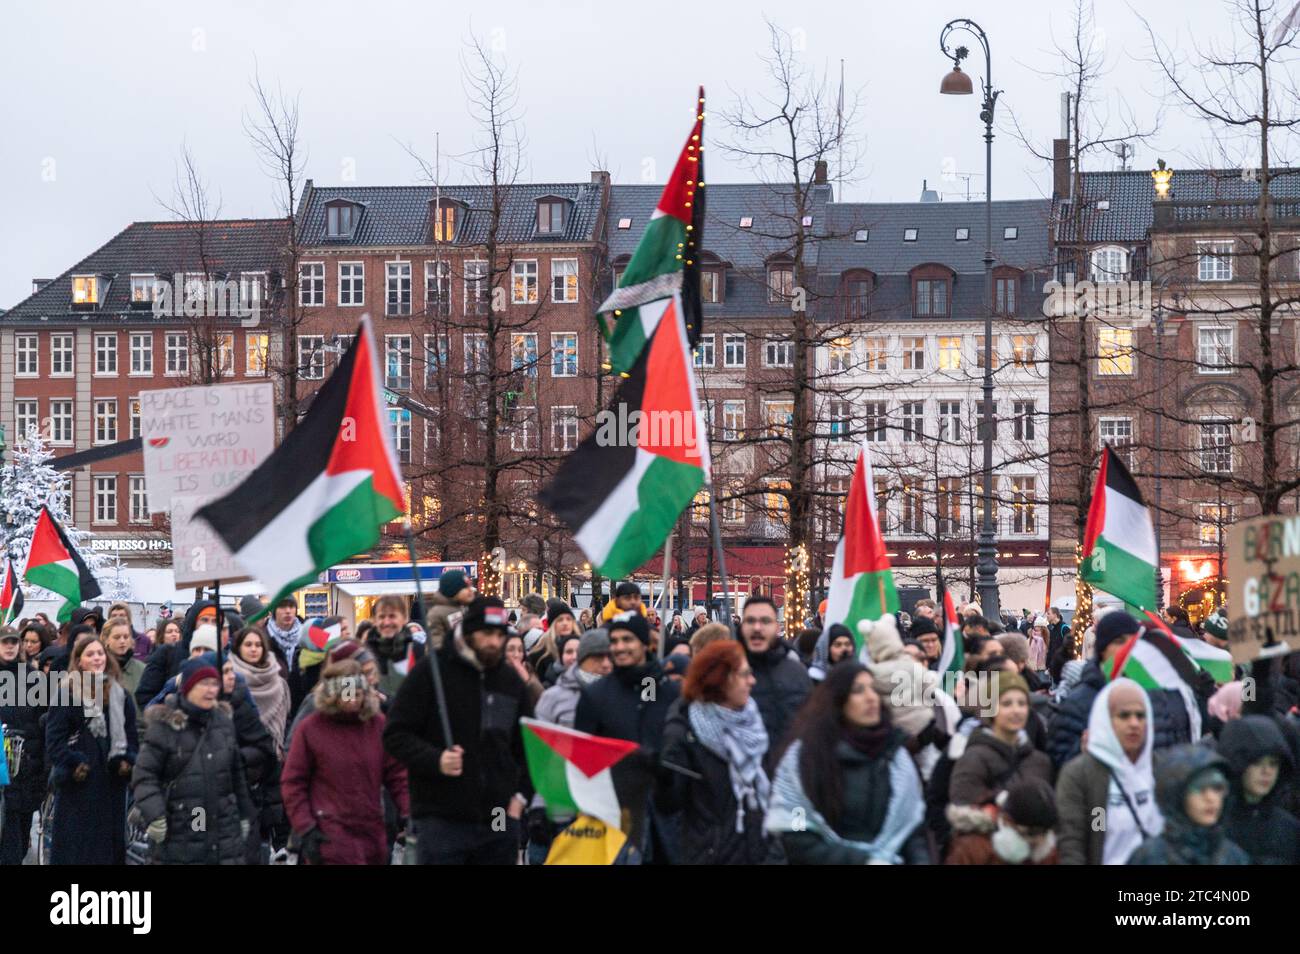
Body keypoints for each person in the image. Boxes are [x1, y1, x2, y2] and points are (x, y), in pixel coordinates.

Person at [384, 596, 533, 865]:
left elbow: (528, 746)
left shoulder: (509, 680)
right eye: (486, 633)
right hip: (442, 818)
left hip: (498, 816)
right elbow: (396, 734)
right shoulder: (432, 672)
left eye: (500, 635)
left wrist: (519, 799)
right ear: (468, 631)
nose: (494, 642)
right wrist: (436, 758)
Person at [766, 663, 929, 864]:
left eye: (873, 689)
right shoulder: (804, 760)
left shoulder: (897, 758)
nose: (871, 698)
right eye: (858, 691)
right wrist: (862, 860)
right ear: (838, 701)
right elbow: (796, 832)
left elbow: (912, 829)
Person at [282, 657, 409, 865]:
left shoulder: (377, 725)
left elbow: (397, 776)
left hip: (371, 836)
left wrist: (408, 812)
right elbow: (293, 782)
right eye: (347, 692)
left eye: (357, 693)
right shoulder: (311, 728)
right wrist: (306, 827)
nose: (352, 700)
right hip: (329, 837)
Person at [131, 658, 256, 864]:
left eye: (214, 684)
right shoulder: (164, 727)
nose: (210, 690)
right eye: (203, 684)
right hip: (182, 826)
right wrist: (156, 815)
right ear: (188, 687)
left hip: (224, 829)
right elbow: (144, 775)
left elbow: (236, 776)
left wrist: (244, 813)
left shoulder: (223, 723)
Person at [658, 641, 773, 864]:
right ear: (721, 679)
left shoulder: (755, 724)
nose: (752, 681)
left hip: (756, 852)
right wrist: (664, 772)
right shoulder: (685, 731)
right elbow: (669, 804)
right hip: (709, 854)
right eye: (744, 675)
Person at [1047, 610, 1191, 768]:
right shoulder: (1078, 702)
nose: (1128, 648)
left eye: (1134, 642)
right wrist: (1084, 751)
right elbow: (1060, 761)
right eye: (1120, 641)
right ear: (1103, 648)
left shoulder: (1155, 696)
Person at [45, 633, 139, 864]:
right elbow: (54, 741)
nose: (97, 658)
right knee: (77, 850)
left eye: (100, 653)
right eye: (90, 654)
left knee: (107, 849)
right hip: (79, 783)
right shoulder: (67, 693)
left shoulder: (120, 694)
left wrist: (126, 760)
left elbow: (131, 738)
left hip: (110, 784)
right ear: (79, 661)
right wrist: (74, 762)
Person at [525, 629, 612, 863]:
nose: (605, 664)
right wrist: (539, 805)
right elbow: (540, 756)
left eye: (609, 657)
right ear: (583, 660)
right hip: (560, 802)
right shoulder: (554, 697)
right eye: (597, 658)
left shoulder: (618, 695)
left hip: (603, 805)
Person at [1056, 679, 1161, 865]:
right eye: (1124, 716)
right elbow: (1073, 842)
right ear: (1105, 720)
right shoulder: (1082, 774)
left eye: (1140, 715)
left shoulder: (1160, 768)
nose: (1134, 723)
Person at [947, 672, 1052, 814]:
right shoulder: (973, 759)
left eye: (1022, 704)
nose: (1016, 711)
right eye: (1006, 704)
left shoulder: (1039, 761)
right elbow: (964, 811)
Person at [1128, 745, 1249, 865]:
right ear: (1176, 795)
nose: (1211, 798)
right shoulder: (1149, 858)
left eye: (1218, 788)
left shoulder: (1234, 857)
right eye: (1199, 788)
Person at [1217, 715, 1299, 864]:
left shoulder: (1289, 829)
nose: (1267, 771)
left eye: (1273, 764)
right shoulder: (1212, 826)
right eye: (1256, 762)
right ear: (1237, 764)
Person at [739, 596, 810, 762]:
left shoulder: (797, 673)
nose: (757, 627)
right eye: (750, 621)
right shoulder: (727, 670)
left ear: (777, 627)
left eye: (765, 621)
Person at [0, 627, 45, 865]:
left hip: (25, 763)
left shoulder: (33, 678)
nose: (9, 647)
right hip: (1, 765)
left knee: (21, 823)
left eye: (13, 642)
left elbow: (44, 718)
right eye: (5, 642)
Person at [946, 778, 1059, 865]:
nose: (1040, 841)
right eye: (1032, 832)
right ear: (1006, 821)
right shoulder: (972, 849)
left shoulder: (1048, 855)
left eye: (1045, 833)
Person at [861, 614, 936, 740]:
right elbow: (931, 687)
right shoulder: (913, 665)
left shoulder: (871, 673)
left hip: (892, 732)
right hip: (923, 725)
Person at [228, 628, 291, 758]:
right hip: (239, 758)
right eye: (248, 644)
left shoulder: (278, 682)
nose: (253, 649)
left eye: (258, 645)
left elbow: (287, 720)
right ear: (238, 647)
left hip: (273, 759)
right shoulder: (229, 680)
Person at [367, 595, 426, 698]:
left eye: (392, 616)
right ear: (375, 621)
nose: (386, 622)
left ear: (405, 618)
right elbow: (348, 697)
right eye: (381, 617)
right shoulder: (362, 652)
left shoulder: (418, 650)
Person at [426, 569, 475, 652]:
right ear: (453, 590)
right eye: (465, 587)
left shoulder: (467, 609)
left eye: (470, 586)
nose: (471, 590)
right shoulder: (436, 613)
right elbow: (436, 643)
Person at [102, 617, 146, 698]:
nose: (122, 641)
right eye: (117, 637)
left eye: (126, 637)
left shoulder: (142, 669)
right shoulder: (99, 667)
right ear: (106, 640)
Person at [504, 632, 545, 706]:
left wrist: (528, 681)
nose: (516, 655)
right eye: (510, 650)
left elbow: (543, 701)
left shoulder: (529, 671)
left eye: (520, 650)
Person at [264, 597, 304, 667]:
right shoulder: (262, 636)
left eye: (291, 606)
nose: (288, 611)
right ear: (274, 611)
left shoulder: (308, 630)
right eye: (282, 606)